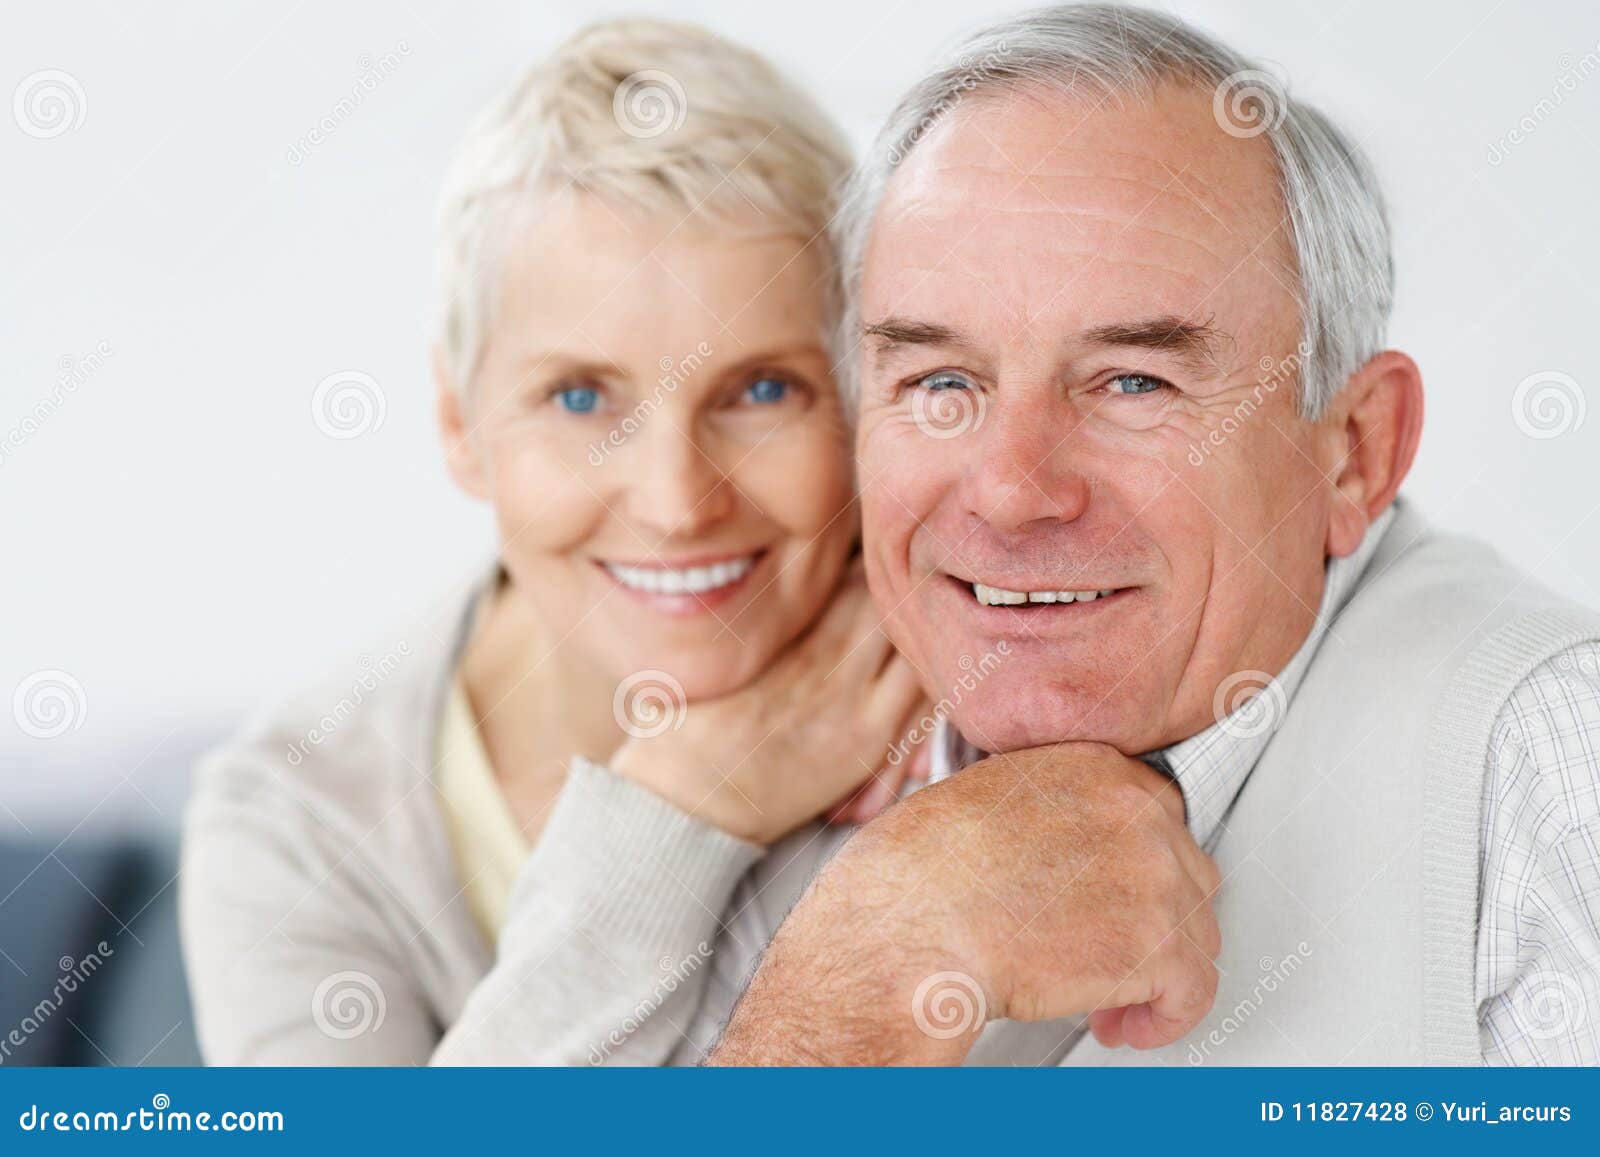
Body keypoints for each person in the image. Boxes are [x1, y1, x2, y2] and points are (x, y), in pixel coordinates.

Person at [698, 4, 1600, 1065]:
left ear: (1354, 448)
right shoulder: (757, 746)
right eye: (942, 382)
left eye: (1133, 381)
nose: (1009, 492)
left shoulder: (1546, 766)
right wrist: (851, 989)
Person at [179, 18, 930, 1064]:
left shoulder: (954, 709)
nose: (676, 502)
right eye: (580, 397)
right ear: (459, 425)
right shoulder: (301, 823)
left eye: (763, 389)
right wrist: (674, 808)